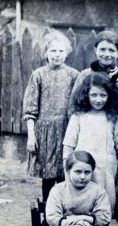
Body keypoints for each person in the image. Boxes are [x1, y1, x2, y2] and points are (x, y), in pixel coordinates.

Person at [23, 30, 79, 202]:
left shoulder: (73, 75)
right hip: (44, 132)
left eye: (61, 51)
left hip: (66, 130)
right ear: (46, 53)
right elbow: (30, 109)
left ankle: (64, 208)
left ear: (66, 53)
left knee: (65, 172)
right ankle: (48, 210)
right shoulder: (38, 75)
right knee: (47, 175)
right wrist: (31, 136)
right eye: (53, 51)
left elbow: (77, 105)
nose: (57, 55)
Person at [62, 72, 118, 213]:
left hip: (106, 171)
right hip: (82, 169)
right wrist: (67, 171)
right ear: (86, 95)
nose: (98, 100)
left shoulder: (115, 119)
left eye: (103, 95)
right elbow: (68, 147)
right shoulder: (78, 117)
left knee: (103, 206)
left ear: (110, 96)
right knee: (82, 204)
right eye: (94, 95)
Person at [69, 30, 118, 119]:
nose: (106, 54)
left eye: (111, 50)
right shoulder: (85, 75)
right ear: (95, 50)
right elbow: (74, 104)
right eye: (102, 49)